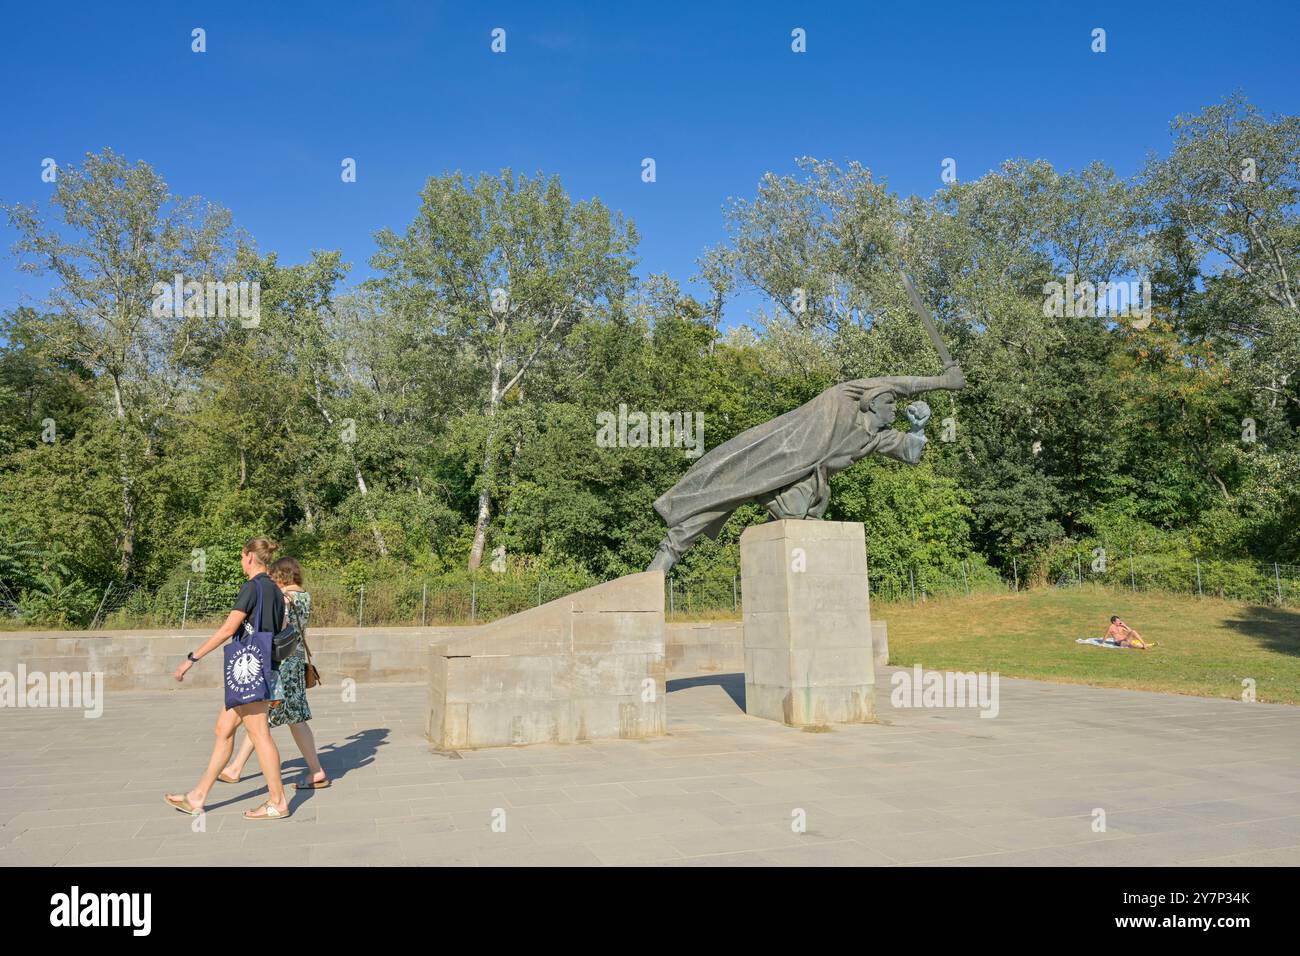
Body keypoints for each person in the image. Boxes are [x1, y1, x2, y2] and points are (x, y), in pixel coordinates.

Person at [647, 362, 965, 572]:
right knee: (721, 493)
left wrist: (919, 428)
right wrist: (941, 382)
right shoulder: (842, 400)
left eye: (897, 403)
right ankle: (665, 558)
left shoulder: (874, 438)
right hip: (777, 457)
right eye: (891, 403)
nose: (897, 407)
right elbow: (895, 383)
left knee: (794, 516)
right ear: (871, 403)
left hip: (802, 488)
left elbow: (910, 452)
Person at [165, 537, 292, 820]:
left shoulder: (252, 587)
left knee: (260, 735)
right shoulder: (275, 588)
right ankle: (198, 796)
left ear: (248, 557)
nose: (240, 561)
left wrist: (192, 658)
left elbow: (227, 630)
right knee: (223, 730)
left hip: (249, 671)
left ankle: (278, 801)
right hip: (265, 666)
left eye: (241, 556)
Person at [219, 557, 329, 790]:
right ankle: (235, 768)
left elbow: (271, 626)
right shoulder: (304, 596)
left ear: (280, 576)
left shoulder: (285, 599)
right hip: (296, 662)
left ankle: (315, 770)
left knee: (274, 718)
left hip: (282, 664)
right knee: (271, 718)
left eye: (273, 576)